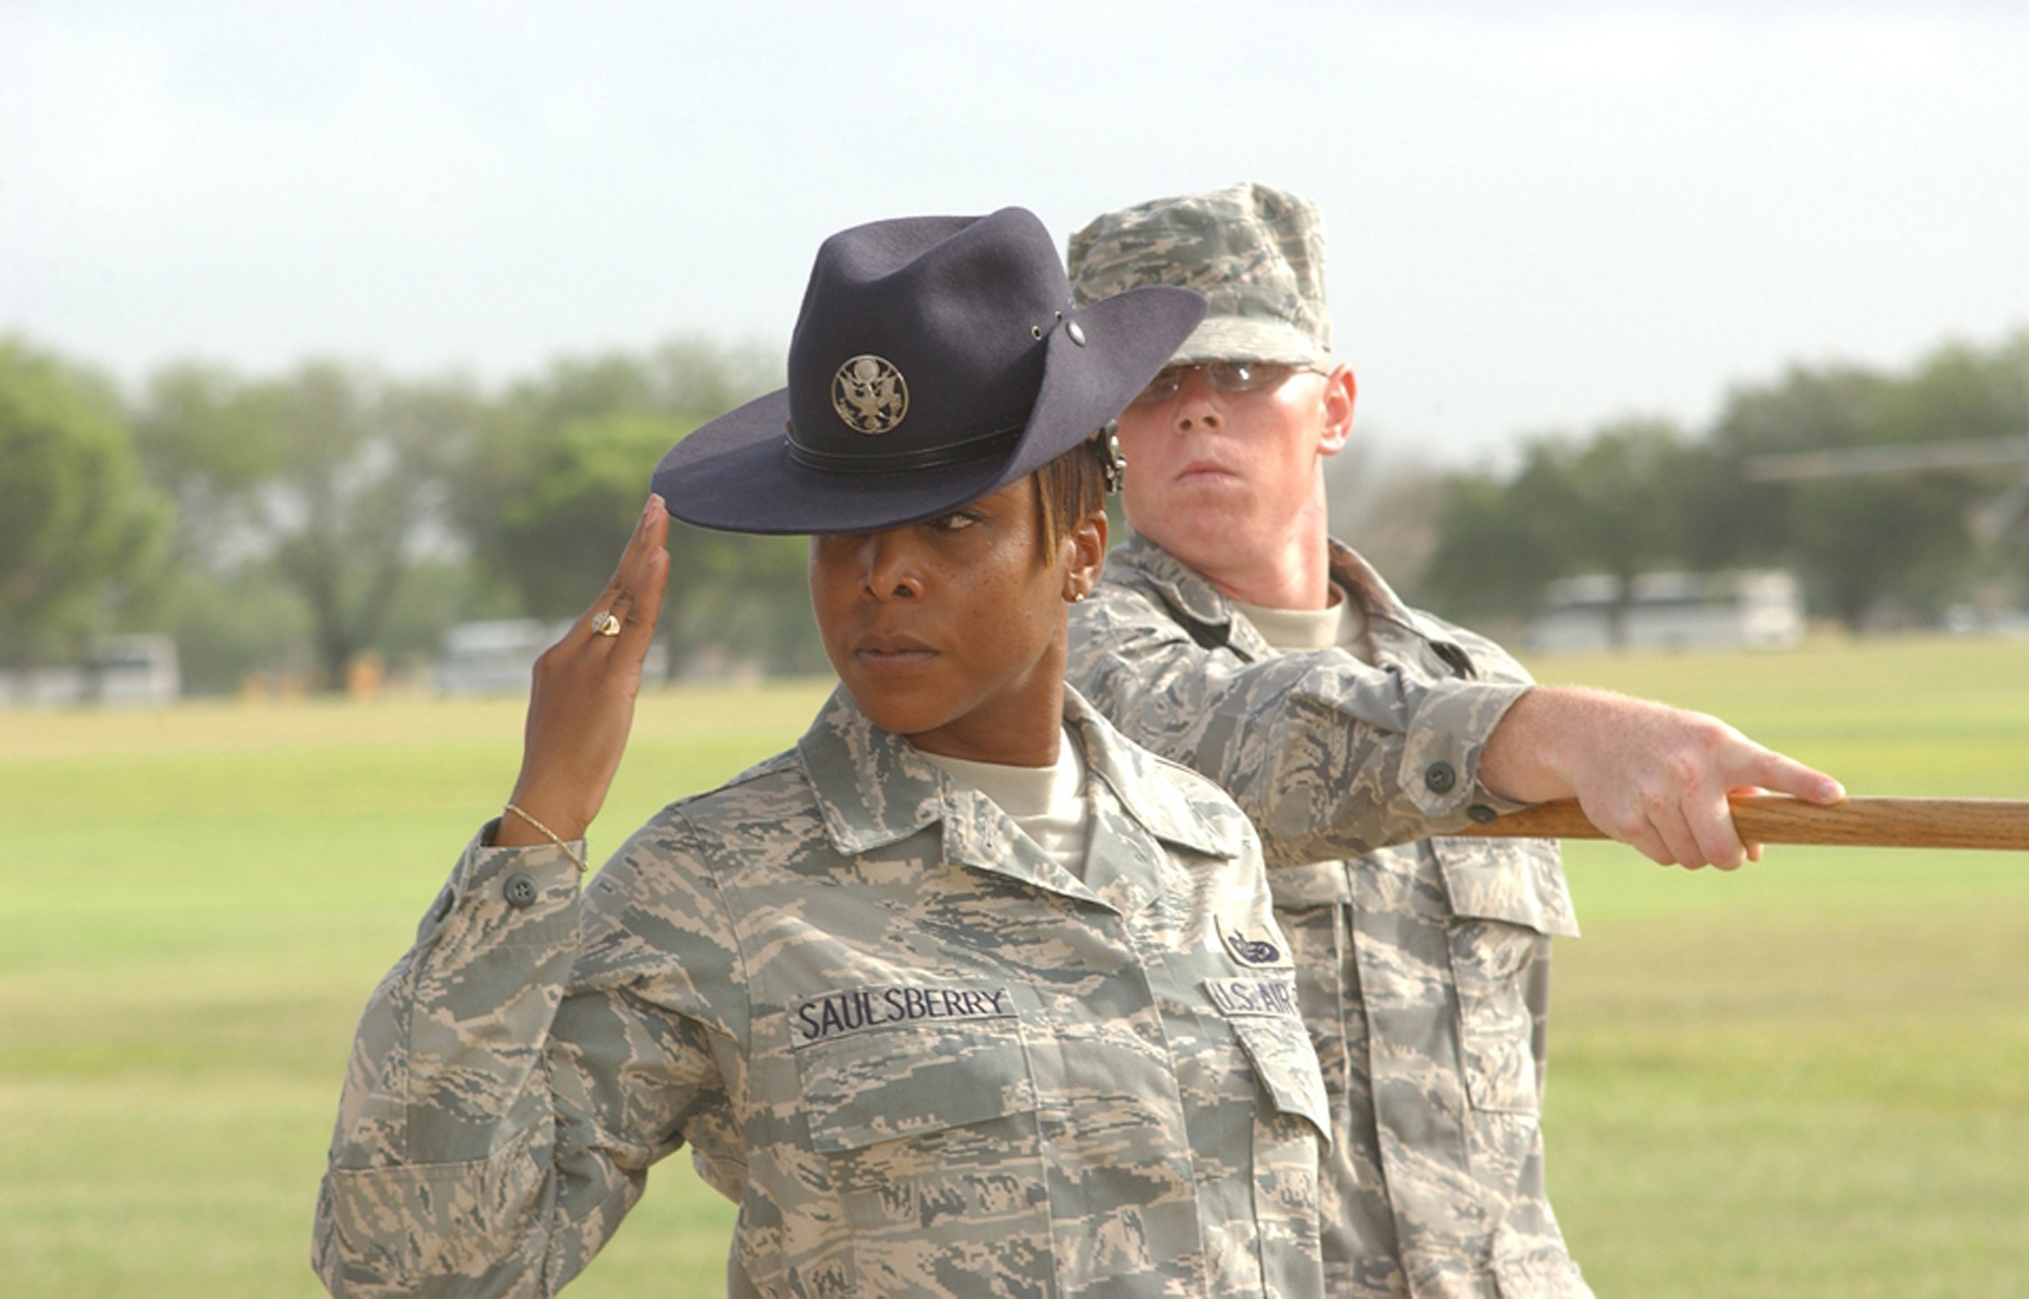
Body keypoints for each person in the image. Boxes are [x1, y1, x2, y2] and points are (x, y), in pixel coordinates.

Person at [311, 207, 1339, 1299]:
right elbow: (415, 1271)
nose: (882, 574)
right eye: (846, 528)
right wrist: (540, 824)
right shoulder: (717, 881)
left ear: (1080, 546)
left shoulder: (1204, 848)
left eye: (952, 523)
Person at [1063, 183, 1844, 1299]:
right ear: (1103, 433)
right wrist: (1554, 733)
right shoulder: (1064, 659)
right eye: (1154, 386)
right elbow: (1226, 735)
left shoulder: (1473, 680)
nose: (1197, 412)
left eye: (1240, 375)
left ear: (1332, 406)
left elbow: (1504, 1115)